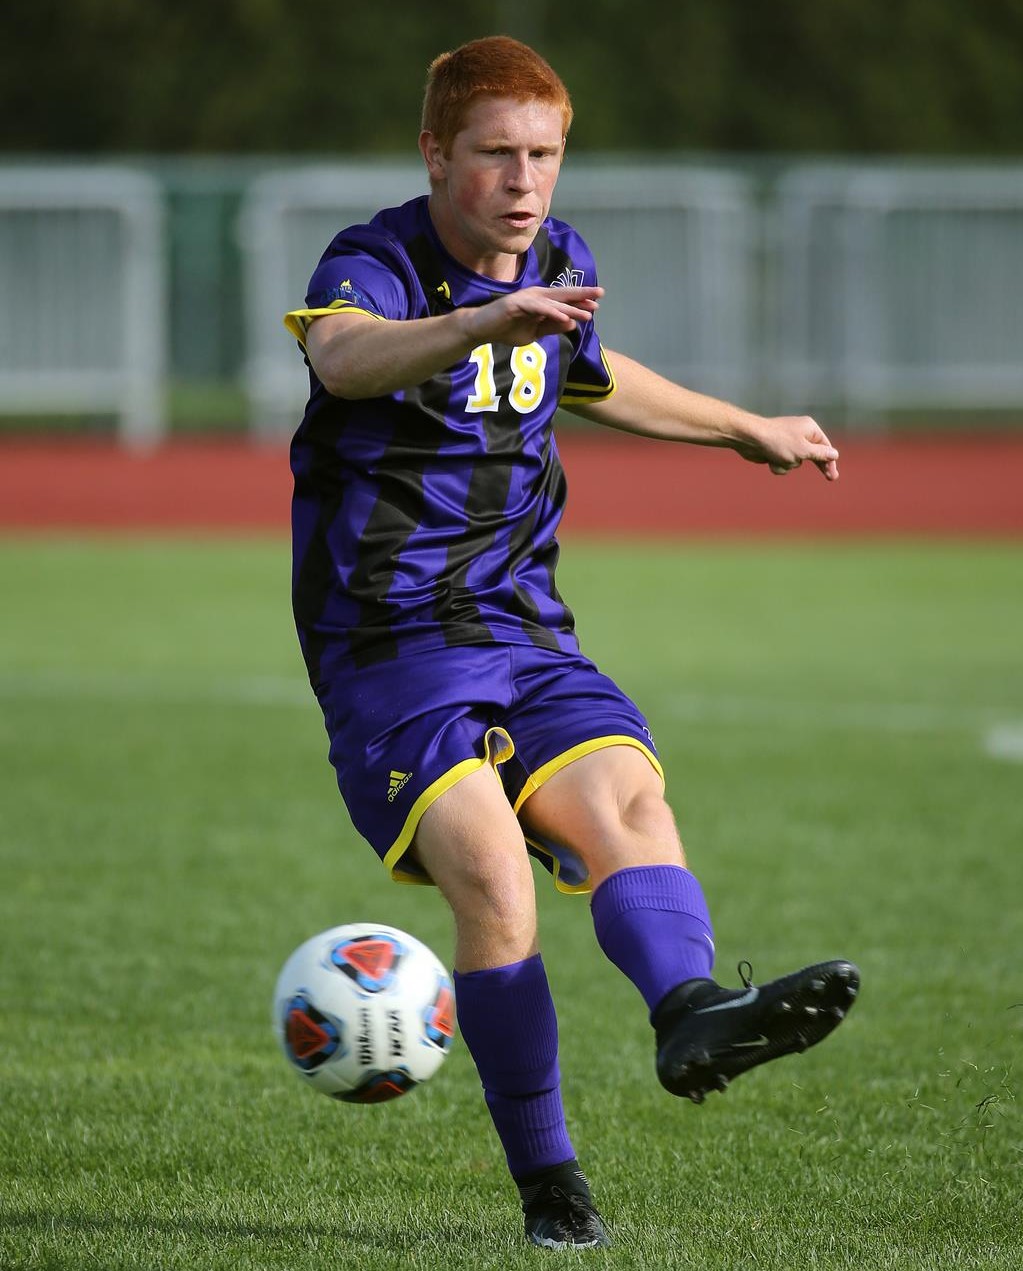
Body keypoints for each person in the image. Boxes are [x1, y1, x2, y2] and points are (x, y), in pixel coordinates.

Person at [282, 35, 859, 1251]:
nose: (524, 180)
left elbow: (591, 372)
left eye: (544, 153)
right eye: (496, 153)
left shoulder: (557, 262)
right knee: (495, 878)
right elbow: (342, 360)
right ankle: (554, 1184)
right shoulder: (378, 261)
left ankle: (694, 1009)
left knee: (631, 805)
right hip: (390, 640)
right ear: (437, 152)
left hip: (524, 625)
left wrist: (745, 426)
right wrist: (480, 321)